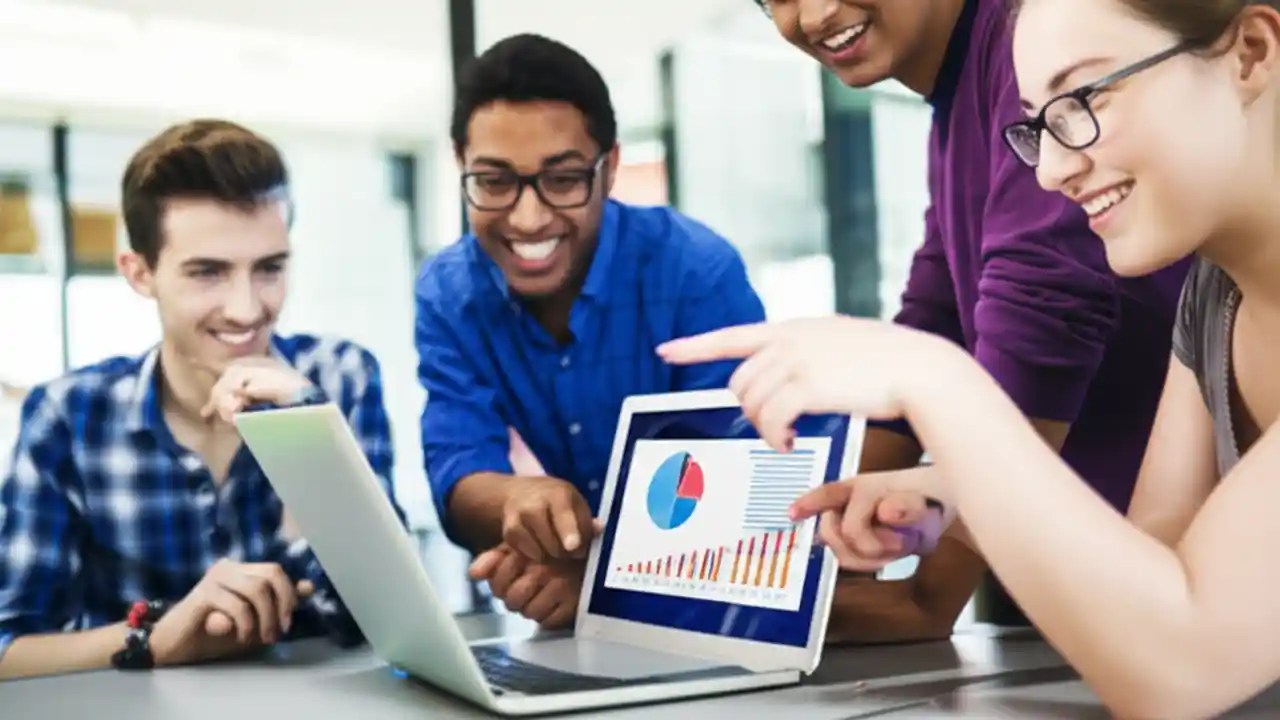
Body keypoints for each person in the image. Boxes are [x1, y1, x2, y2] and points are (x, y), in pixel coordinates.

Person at [663, 0, 1280, 716]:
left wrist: (939, 385)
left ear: (1252, 52)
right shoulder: (1210, 299)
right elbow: (1152, 571)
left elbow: (1180, 672)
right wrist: (948, 486)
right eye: (1036, 124)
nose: (1049, 172)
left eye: (1085, 98)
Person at [750, 0, 1189, 641]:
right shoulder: (955, 98)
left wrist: (930, 595)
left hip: (1163, 577)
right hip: (1123, 582)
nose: (814, 13)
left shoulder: (1026, 42)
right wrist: (807, 550)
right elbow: (937, 316)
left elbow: (1045, 311)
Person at [0, 120, 403, 679]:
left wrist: (307, 439)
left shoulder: (340, 377)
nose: (246, 308)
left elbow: (389, 621)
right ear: (140, 273)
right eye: (208, 273)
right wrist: (157, 640)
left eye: (270, 268)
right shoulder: (69, 416)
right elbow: (9, 645)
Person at [416, 33, 766, 628]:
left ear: (610, 168)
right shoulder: (448, 292)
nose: (528, 218)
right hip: (586, 626)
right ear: (460, 163)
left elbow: (732, 489)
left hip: (730, 611)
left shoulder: (695, 271)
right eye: (495, 181)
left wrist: (601, 574)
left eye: (563, 179)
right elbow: (457, 468)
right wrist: (515, 502)